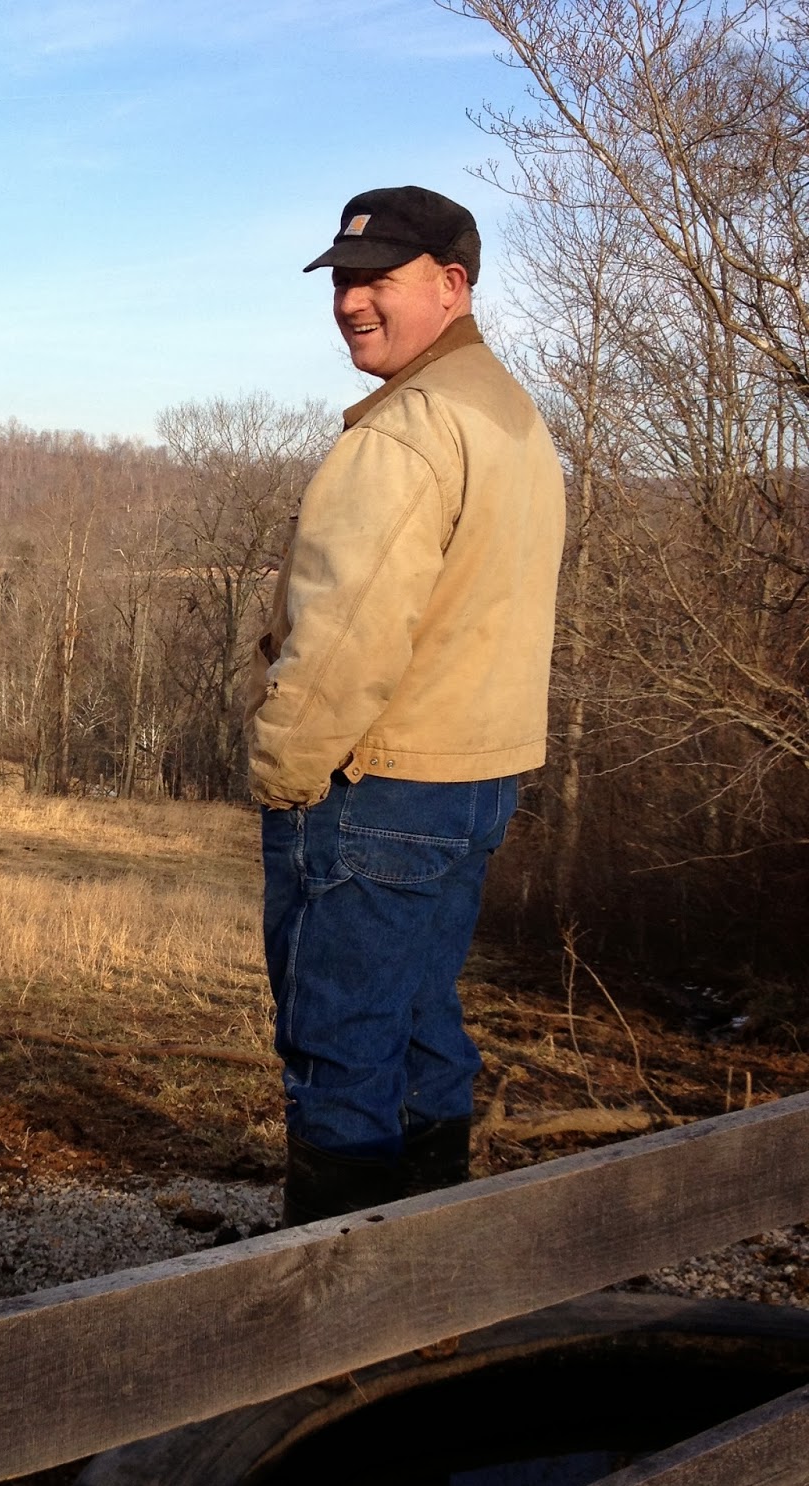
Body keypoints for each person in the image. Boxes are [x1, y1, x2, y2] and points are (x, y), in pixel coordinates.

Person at [247, 186, 566, 1225]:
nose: (349, 302)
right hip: (469, 784)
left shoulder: (405, 434)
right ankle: (433, 1288)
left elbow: (347, 639)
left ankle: (339, 1324)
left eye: (375, 278)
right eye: (342, 279)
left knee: (337, 1050)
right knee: (422, 1030)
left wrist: (281, 774)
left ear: (449, 284)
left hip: (377, 787)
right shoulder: (509, 416)